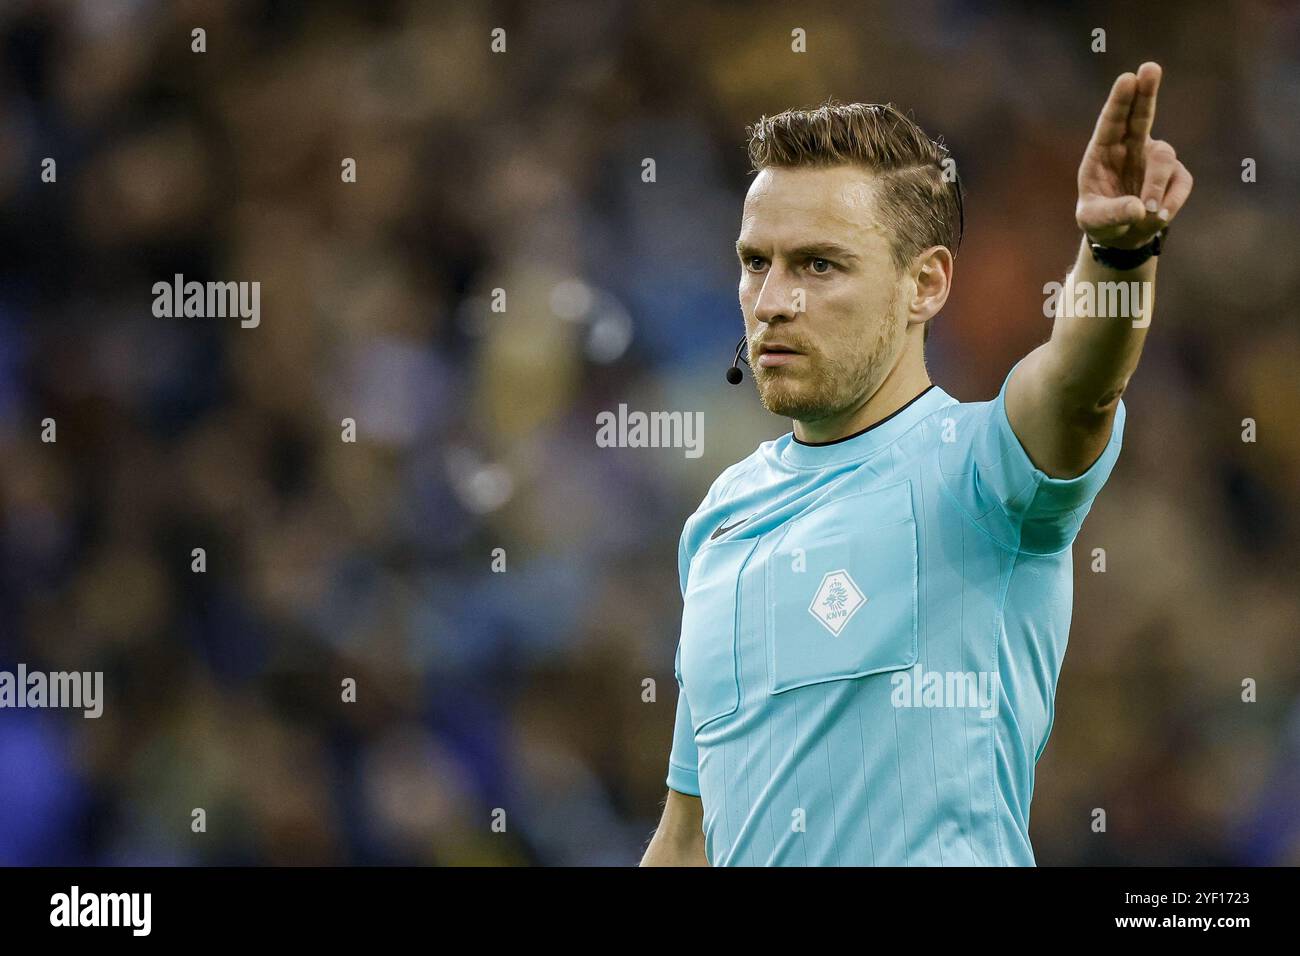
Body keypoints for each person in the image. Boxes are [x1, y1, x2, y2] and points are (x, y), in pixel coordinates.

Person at [641, 63, 1193, 866]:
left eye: (818, 265)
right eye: (756, 261)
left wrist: (1117, 253)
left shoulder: (982, 472)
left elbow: (1079, 385)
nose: (771, 302)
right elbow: (687, 840)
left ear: (925, 284)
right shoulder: (719, 522)